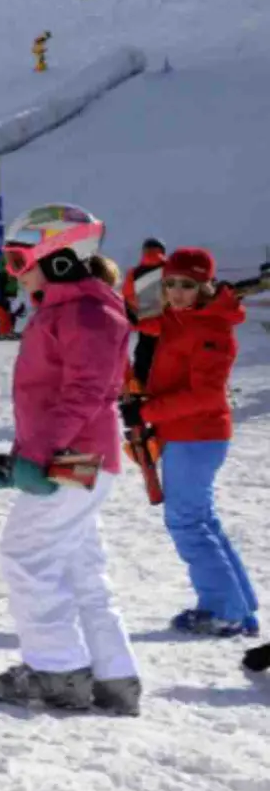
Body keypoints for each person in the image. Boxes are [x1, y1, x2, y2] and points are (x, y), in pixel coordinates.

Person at [0, 203, 140, 716]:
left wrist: (37, 454)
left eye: (18, 260)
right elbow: (53, 398)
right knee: (78, 564)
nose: (14, 273)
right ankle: (113, 676)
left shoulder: (86, 313)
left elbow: (85, 393)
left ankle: (56, 672)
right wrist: (17, 458)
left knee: (26, 556)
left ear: (59, 258)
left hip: (75, 458)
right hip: (71, 456)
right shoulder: (68, 310)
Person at [122, 248, 256, 637]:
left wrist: (146, 411)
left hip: (197, 436)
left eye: (187, 285)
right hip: (184, 434)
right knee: (202, 520)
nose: (177, 292)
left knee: (187, 522)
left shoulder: (212, 329)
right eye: (170, 284)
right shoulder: (181, 318)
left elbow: (206, 396)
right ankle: (239, 607)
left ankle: (223, 611)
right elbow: (141, 319)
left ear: (205, 286)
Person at [123, 238, 169, 391]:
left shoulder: (134, 273)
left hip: (145, 328)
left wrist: (137, 321)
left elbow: (128, 299)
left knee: (142, 366)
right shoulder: (171, 270)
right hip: (170, 329)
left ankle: (139, 394)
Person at [0, 255, 22, 341]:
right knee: (7, 314)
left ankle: (4, 331)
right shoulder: (4, 273)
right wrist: (3, 297)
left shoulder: (11, 272)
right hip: (7, 295)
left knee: (10, 314)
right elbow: (0, 286)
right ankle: (4, 332)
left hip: (11, 294)